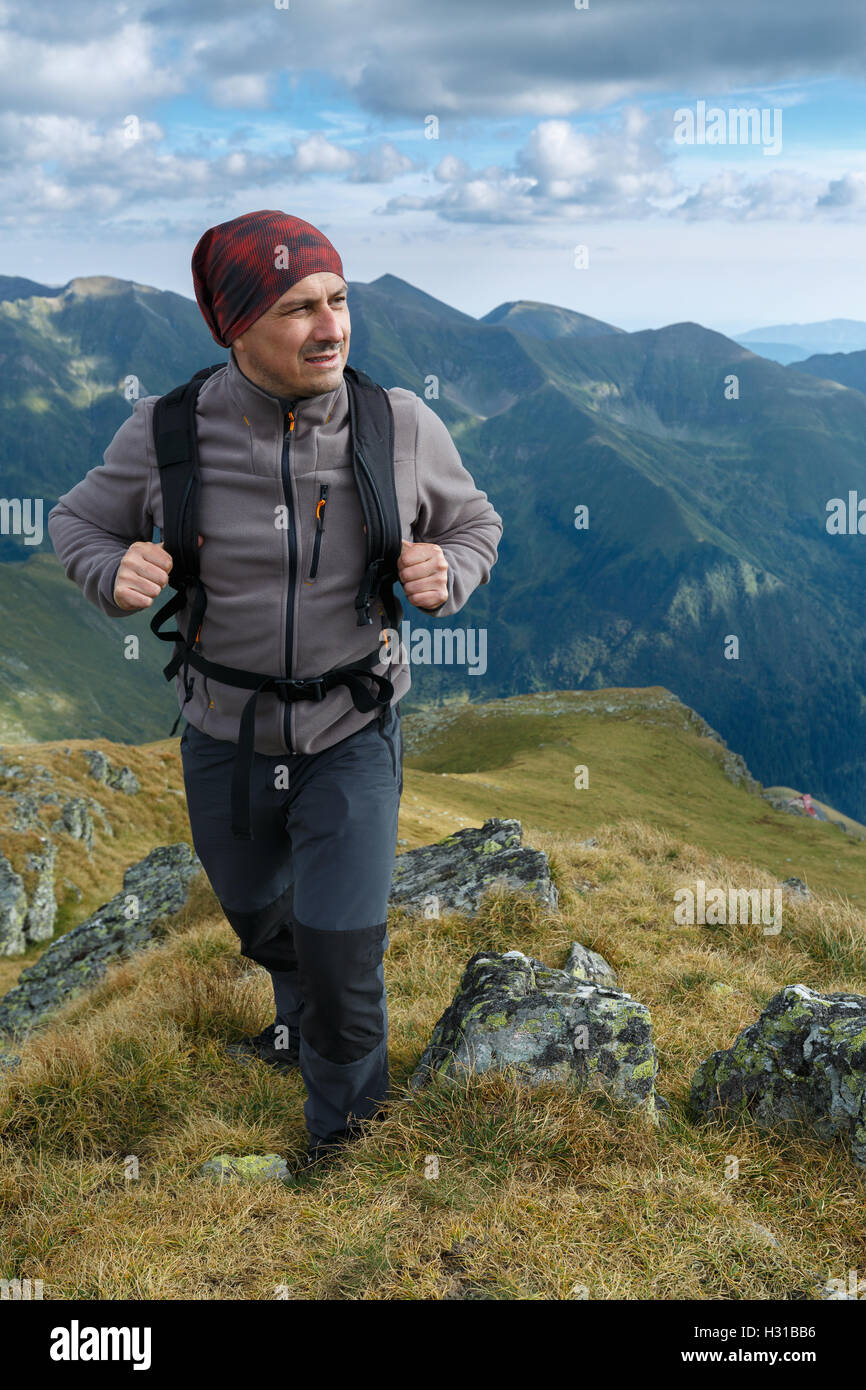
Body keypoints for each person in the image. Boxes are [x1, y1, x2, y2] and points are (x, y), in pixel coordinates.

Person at [47, 209, 503, 1170]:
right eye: (299, 308)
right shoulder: (169, 430)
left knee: (344, 953)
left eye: (338, 301)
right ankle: (307, 1025)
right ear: (236, 327)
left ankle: (350, 1143)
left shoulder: (398, 425)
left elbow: (475, 523)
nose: (330, 326)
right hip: (223, 728)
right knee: (263, 921)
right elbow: (76, 521)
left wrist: (448, 572)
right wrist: (110, 572)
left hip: (353, 724)